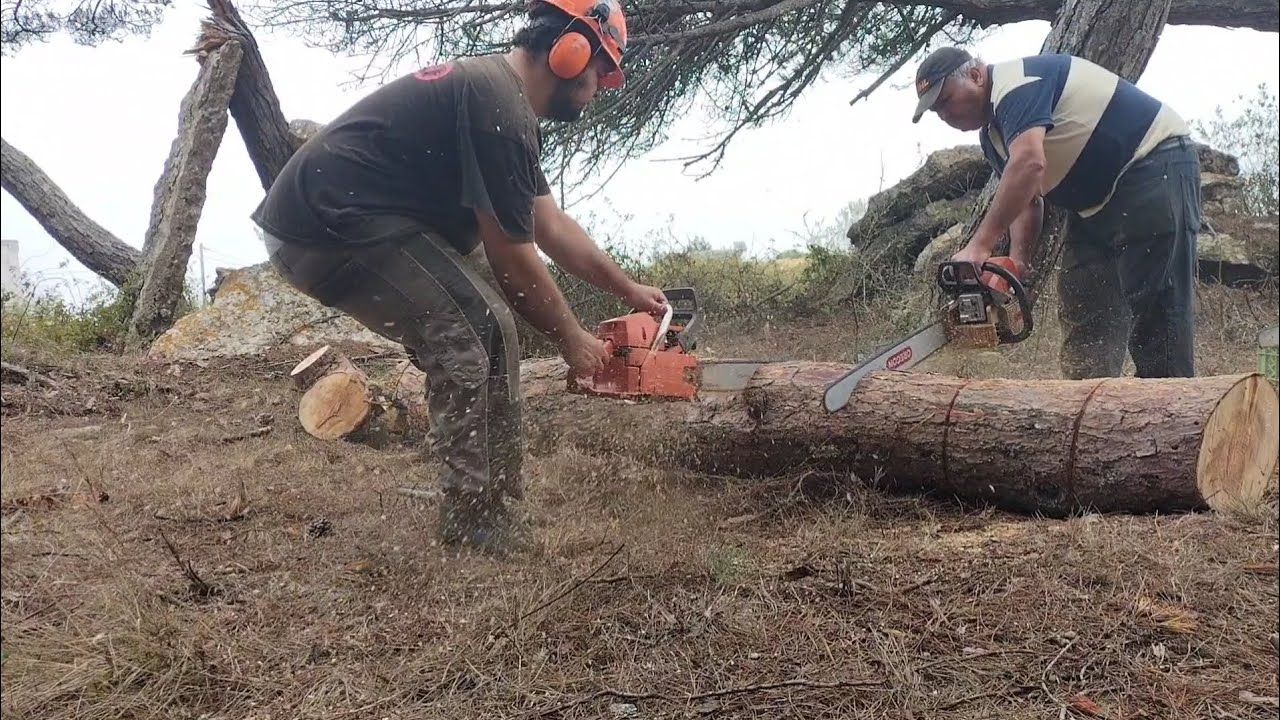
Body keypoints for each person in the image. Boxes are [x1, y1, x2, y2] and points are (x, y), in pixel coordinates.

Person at [249, 0, 669, 554]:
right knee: (474, 326)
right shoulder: (496, 104)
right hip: (328, 226)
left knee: (493, 324)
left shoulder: (502, 105)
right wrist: (571, 339)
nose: (598, 88)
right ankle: (473, 517)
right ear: (571, 52)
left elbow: (551, 226)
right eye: (599, 71)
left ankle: (495, 504)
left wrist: (628, 290)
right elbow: (513, 258)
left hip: (352, 222)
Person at [910, 46, 1202, 380]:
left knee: (1157, 315)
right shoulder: (993, 136)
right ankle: (1089, 411)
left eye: (946, 100)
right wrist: (1018, 262)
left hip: (1153, 165)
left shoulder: (1017, 84)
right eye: (936, 111)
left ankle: (1170, 416)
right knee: (1086, 305)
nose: (945, 115)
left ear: (976, 75)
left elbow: (1030, 164)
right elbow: (1029, 200)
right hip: (1096, 203)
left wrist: (980, 245)